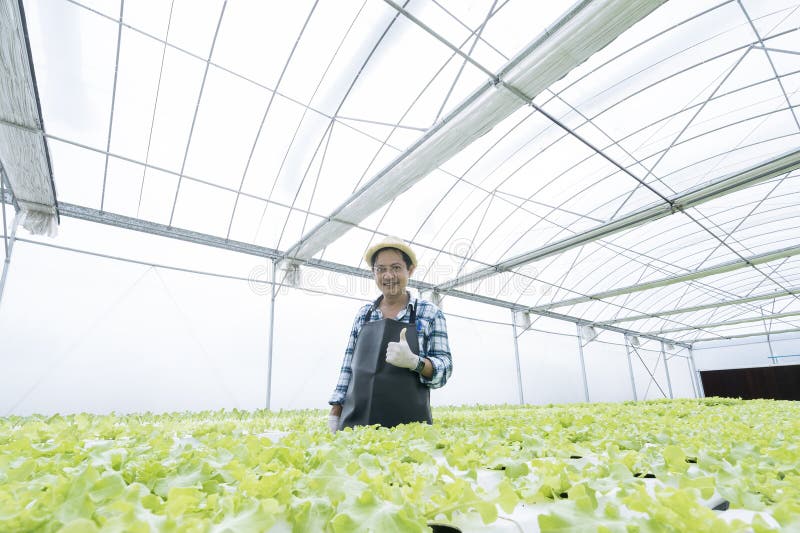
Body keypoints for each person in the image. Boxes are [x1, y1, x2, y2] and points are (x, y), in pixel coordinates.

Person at [328, 236, 452, 432]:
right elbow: (348, 367)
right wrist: (335, 414)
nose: (388, 276)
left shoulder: (429, 313)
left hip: (409, 426)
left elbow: (445, 369)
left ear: (409, 270)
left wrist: (415, 362)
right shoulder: (364, 315)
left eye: (396, 268)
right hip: (359, 423)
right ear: (374, 273)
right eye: (381, 269)